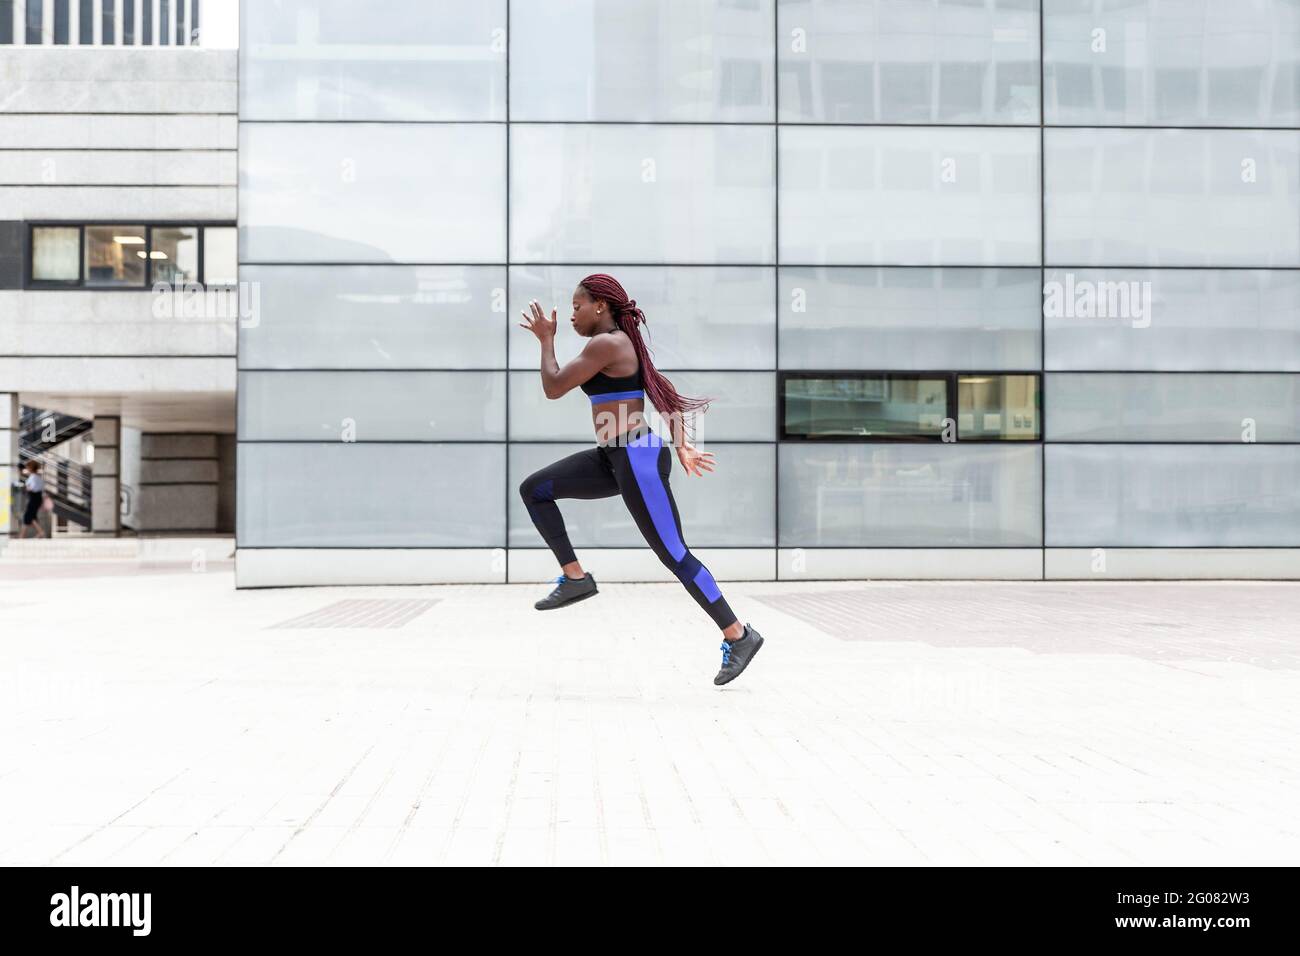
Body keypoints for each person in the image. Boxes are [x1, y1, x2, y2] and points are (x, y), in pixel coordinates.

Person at [517, 273, 764, 686]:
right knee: (535, 490)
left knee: (674, 554)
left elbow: (554, 387)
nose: (571, 315)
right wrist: (683, 445)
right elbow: (663, 391)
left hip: (636, 456)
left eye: (576, 306)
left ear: (601, 305)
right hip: (613, 457)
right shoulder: (614, 345)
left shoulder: (608, 343)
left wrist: (546, 340)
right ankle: (576, 578)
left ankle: (738, 634)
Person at [19, 460, 47, 539]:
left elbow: (33, 488)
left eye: (27, 467)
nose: (26, 469)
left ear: (30, 468)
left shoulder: (34, 477)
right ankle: (40, 532)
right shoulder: (37, 476)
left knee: (27, 516)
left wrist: (27, 488)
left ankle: (22, 536)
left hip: (34, 498)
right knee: (32, 516)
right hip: (36, 498)